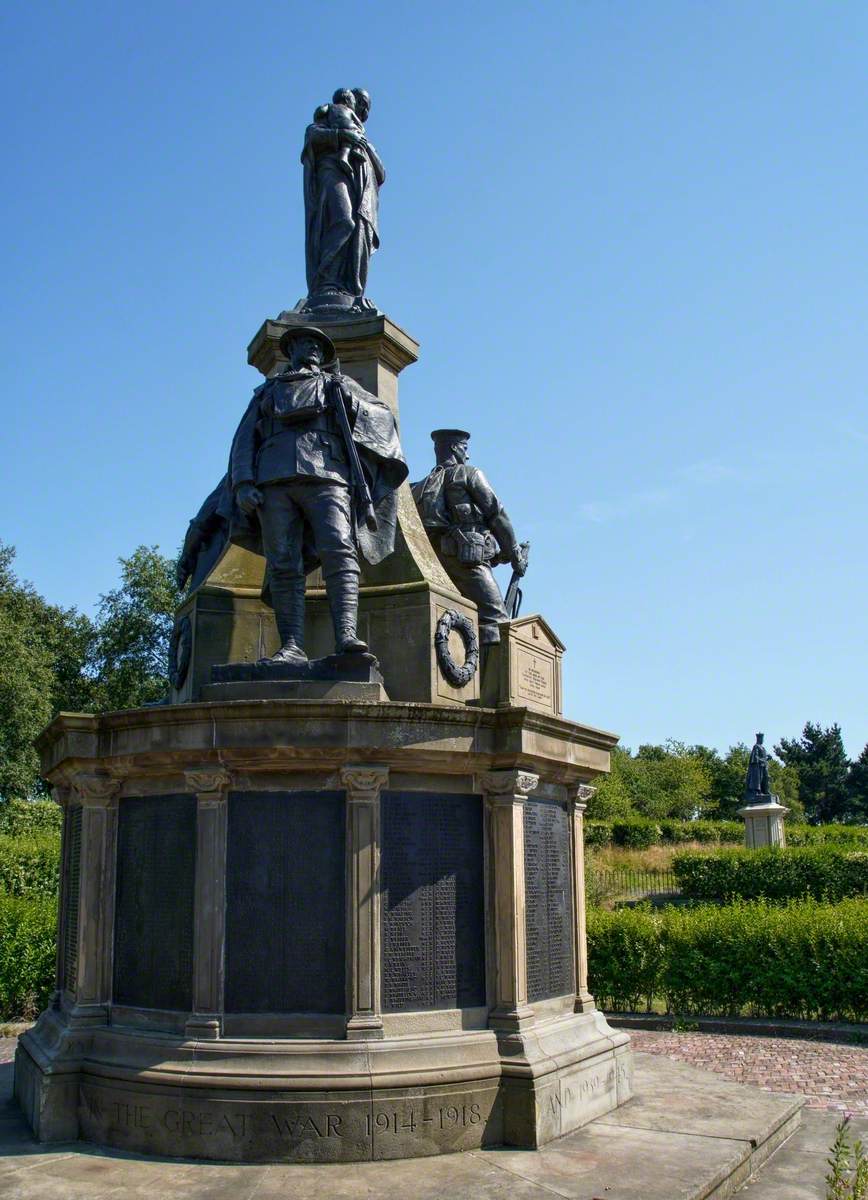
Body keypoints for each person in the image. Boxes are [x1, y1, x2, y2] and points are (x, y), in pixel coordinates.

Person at [219, 324, 406, 664]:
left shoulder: (339, 385)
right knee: (283, 562)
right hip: (273, 481)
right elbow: (243, 440)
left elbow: (381, 417)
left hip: (327, 476)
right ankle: (291, 645)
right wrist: (244, 483)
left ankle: (346, 636)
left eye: (317, 345)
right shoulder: (266, 391)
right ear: (290, 351)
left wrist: (350, 403)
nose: (311, 349)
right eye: (303, 343)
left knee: (340, 551)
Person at [412, 429, 526, 645]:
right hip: (467, 559)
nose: (468, 455)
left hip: (435, 563)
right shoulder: (469, 473)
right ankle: (494, 678)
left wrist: (499, 556)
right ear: (455, 448)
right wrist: (514, 555)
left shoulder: (420, 486)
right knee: (496, 620)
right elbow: (497, 514)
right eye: (465, 449)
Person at [301, 87, 385, 312]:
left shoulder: (363, 140)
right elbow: (312, 136)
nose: (362, 109)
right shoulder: (329, 120)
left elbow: (382, 174)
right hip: (333, 174)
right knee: (342, 221)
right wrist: (341, 136)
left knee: (357, 233)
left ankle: (347, 287)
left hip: (362, 195)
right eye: (361, 103)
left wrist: (363, 145)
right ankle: (327, 282)